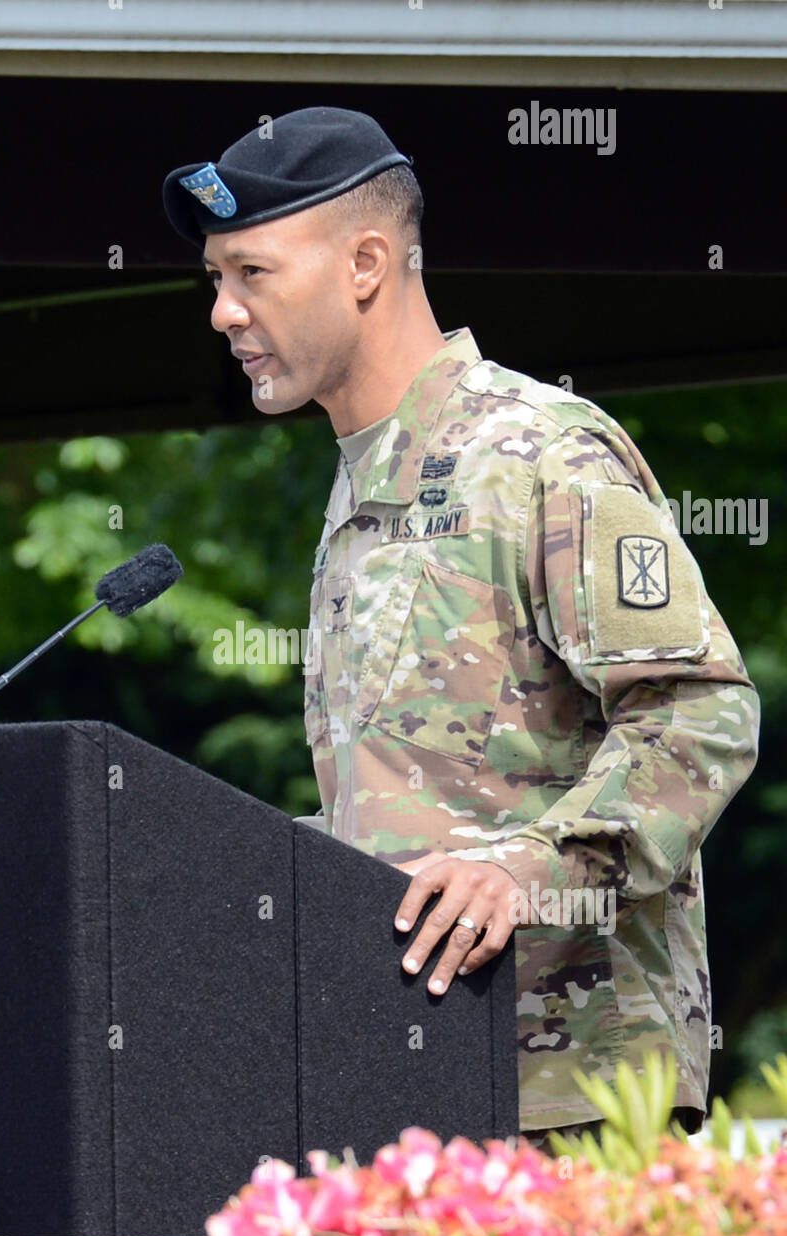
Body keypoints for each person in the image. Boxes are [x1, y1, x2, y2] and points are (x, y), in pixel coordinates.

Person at [162, 107, 760, 1151]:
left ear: (363, 262)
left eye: (251, 272)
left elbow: (699, 714)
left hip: (570, 1097)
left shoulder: (535, 454)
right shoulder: (362, 482)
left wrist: (525, 868)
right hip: (414, 1080)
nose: (222, 311)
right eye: (215, 278)